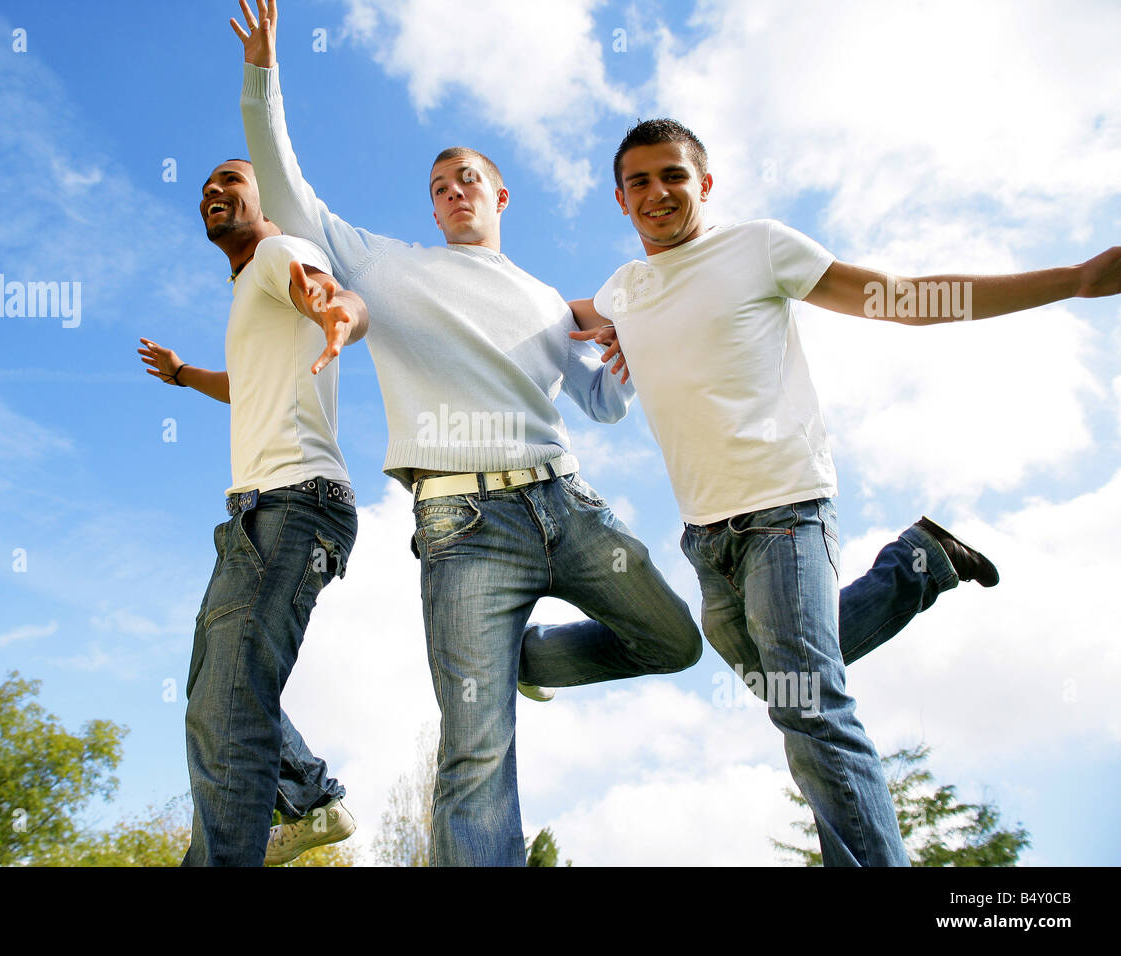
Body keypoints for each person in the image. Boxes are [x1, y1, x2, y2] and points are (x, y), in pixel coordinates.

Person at [229, 1, 998, 866]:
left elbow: (597, 402)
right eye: (439, 187)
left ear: (500, 195)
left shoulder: (549, 302)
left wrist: (621, 376)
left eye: (467, 180)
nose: (452, 194)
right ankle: (505, 675)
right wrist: (265, 79)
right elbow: (288, 193)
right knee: (476, 751)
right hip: (464, 527)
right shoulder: (388, 266)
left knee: (675, 640)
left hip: (571, 506)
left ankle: (530, 656)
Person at [571, 117, 1120, 865]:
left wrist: (1078, 281)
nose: (658, 192)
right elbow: (558, 319)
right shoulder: (626, 290)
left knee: (811, 712)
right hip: (704, 536)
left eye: (673, 175)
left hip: (785, 511)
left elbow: (901, 298)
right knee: (789, 688)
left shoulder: (757, 246)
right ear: (620, 198)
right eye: (640, 181)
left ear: (704, 183)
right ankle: (919, 564)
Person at [139, 156, 369, 866]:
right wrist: (182, 374)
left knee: (228, 707)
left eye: (230, 180)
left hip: (294, 503)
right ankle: (311, 798)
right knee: (215, 685)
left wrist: (334, 312)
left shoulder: (279, 253)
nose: (212, 192)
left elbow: (322, 292)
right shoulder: (249, 288)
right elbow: (247, 385)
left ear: (264, 199)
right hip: (261, 513)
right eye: (205, 188)